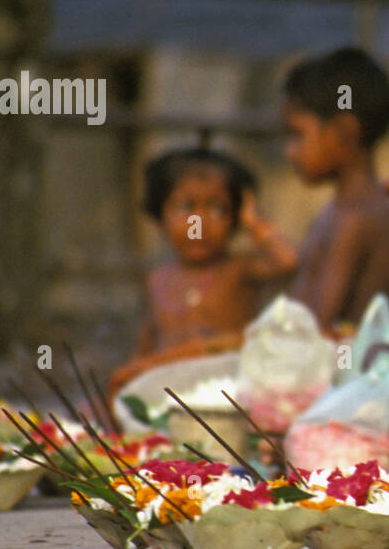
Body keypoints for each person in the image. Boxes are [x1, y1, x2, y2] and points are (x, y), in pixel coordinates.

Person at [108, 146, 299, 395]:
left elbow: (288, 261)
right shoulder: (157, 280)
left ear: (236, 218)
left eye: (217, 208)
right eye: (186, 207)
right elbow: (146, 347)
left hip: (228, 394)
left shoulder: (240, 270)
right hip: (168, 395)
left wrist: (256, 224)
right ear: (159, 214)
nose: (199, 223)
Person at [281, 46, 389, 329]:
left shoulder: (355, 219)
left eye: (297, 135)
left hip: (350, 371)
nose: (289, 151)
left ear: (343, 132)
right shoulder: (343, 209)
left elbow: (318, 328)